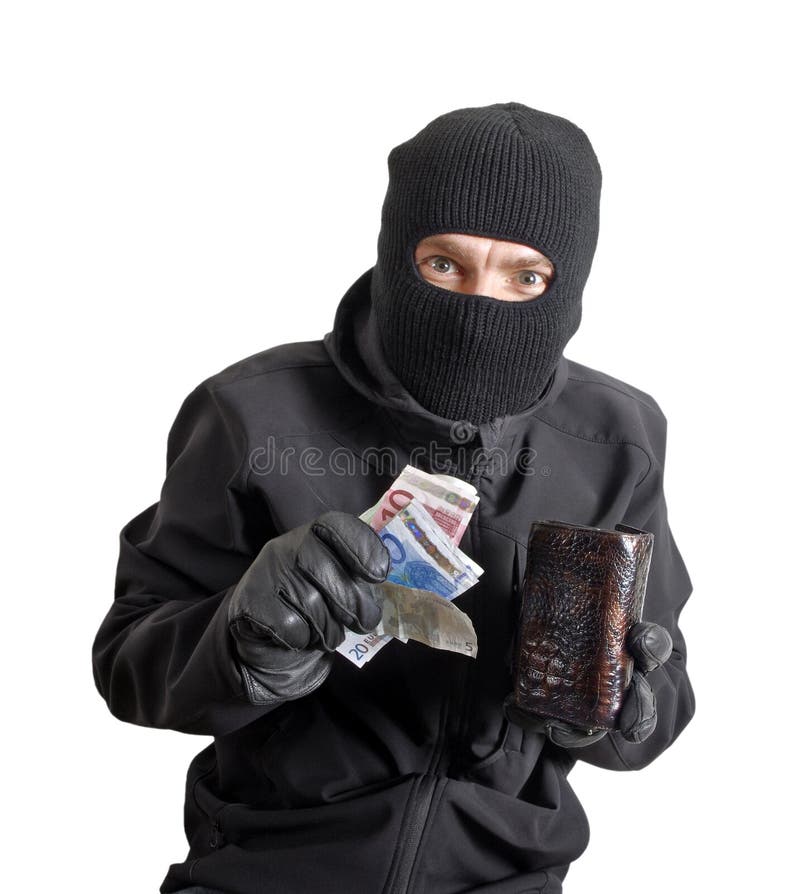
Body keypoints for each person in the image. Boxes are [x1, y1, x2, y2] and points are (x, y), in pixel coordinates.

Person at [92, 102, 696, 894]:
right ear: (394, 253)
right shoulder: (251, 413)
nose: (481, 307)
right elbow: (128, 661)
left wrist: (618, 709)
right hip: (262, 871)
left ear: (568, 281)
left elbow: (662, 682)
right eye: (445, 263)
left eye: (526, 276)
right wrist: (243, 639)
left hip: (508, 879)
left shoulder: (620, 436)